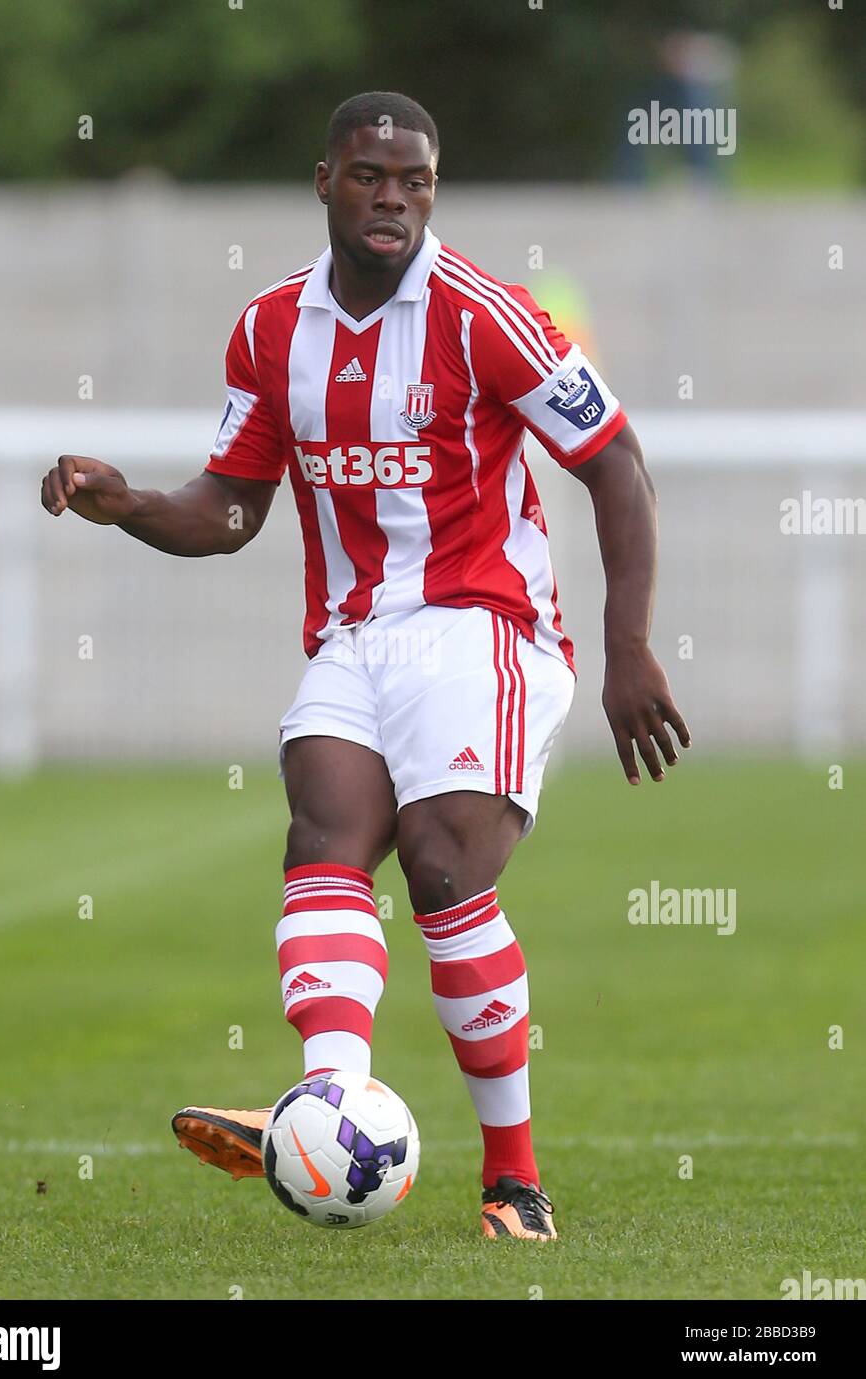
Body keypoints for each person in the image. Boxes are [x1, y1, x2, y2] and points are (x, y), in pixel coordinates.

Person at [41, 91, 690, 1242]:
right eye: (370, 176)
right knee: (325, 833)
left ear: (432, 189)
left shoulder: (487, 315)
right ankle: (327, 1104)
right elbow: (233, 508)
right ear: (325, 180)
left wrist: (629, 645)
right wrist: (131, 503)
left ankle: (514, 1179)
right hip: (354, 634)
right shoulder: (270, 328)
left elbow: (618, 461)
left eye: (416, 179)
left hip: (484, 623)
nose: (394, 197)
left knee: (442, 865)